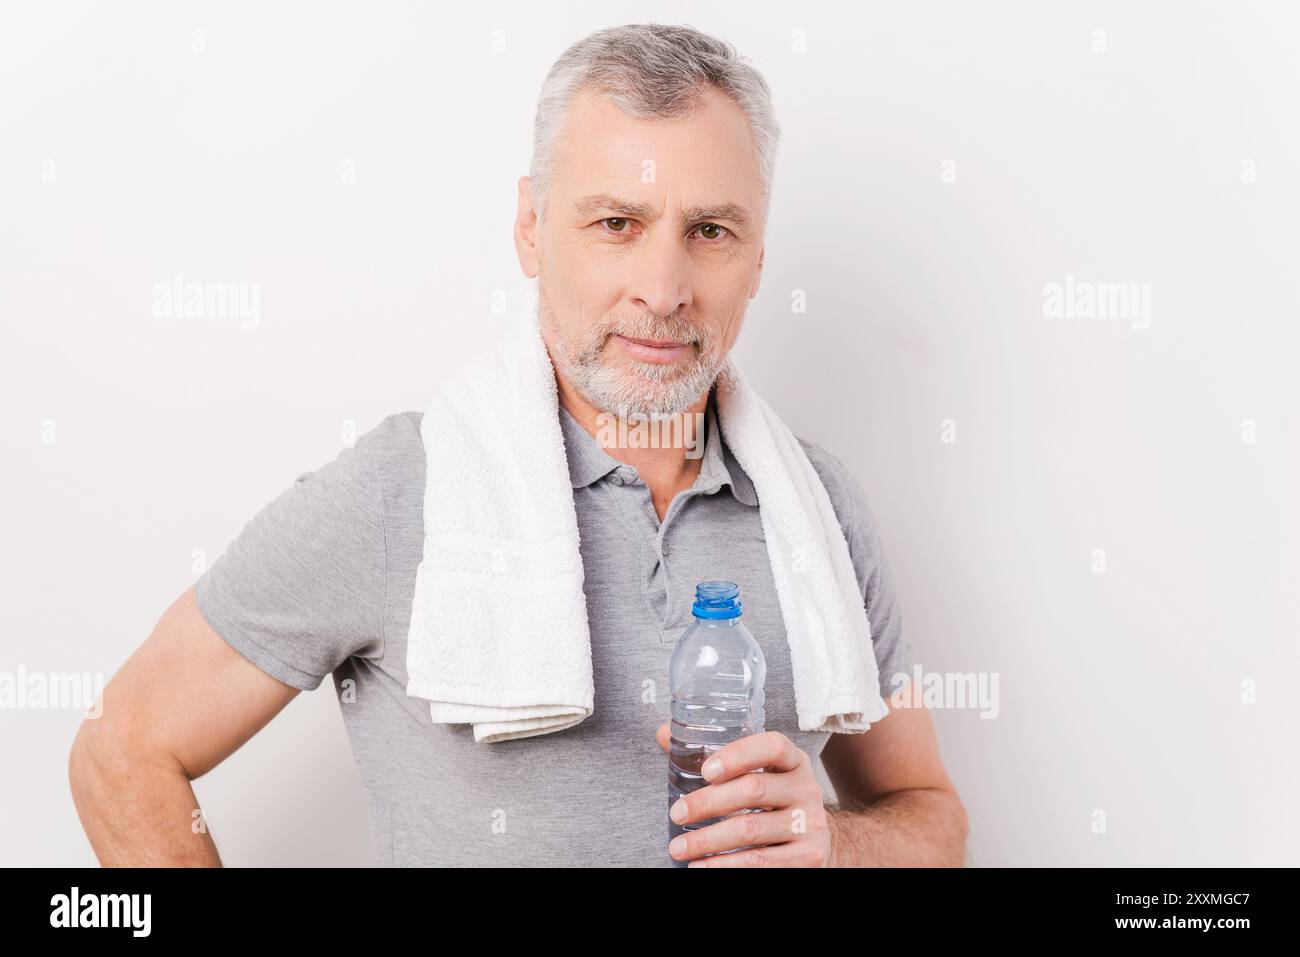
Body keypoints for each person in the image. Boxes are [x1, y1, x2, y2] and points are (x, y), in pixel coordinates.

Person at [69, 22, 967, 867]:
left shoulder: (821, 510)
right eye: (617, 223)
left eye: (710, 231)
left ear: (759, 256)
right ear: (532, 229)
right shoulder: (400, 493)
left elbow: (929, 811)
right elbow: (122, 748)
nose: (663, 289)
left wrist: (836, 841)